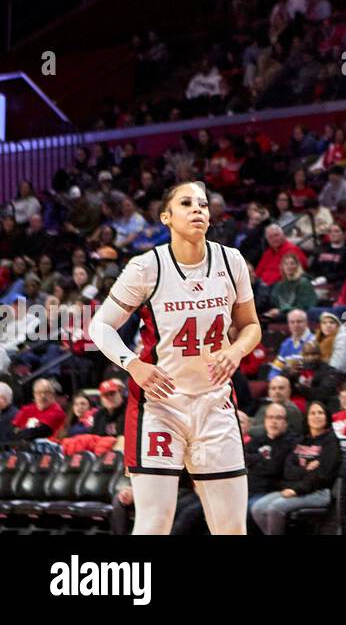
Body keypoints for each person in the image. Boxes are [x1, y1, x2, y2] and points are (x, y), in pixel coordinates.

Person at [86, 181, 262, 535]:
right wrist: (133, 365)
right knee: (154, 524)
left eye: (203, 204)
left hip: (215, 406)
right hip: (160, 406)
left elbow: (251, 327)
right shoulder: (146, 267)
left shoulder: (232, 261)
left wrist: (235, 350)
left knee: (231, 528)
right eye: (186, 203)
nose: (198, 209)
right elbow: (100, 326)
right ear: (166, 217)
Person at [250, 401, 341, 535]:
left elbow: (323, 475)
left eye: (320, 413)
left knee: (275, 508)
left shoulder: (331, 442)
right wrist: (305, 471)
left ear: (327, 417)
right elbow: (288, 469)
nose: (316, 416)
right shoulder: (302, 440)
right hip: (293, 488)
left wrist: (296, 489)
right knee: (257, 508)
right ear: (307, 417)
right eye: (313, 413)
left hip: (318, 491)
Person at [245, 402, 298, 528]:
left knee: (247, 511)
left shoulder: (292, 441)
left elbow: (275, 467)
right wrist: (263, 459)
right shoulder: (258, 439)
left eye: (278, 418)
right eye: (270, 417)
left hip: (270, 491)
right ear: (265, 420)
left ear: (285, 422)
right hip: (248, 489)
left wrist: (255, 461)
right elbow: (243, 457)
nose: (273, 421)